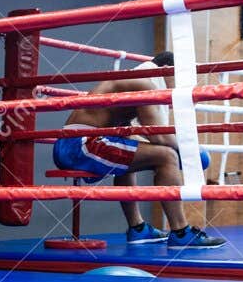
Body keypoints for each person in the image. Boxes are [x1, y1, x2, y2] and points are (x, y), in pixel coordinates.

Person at [55, 51, 224, 249]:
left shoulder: (133, 80)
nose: (182, 85)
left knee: (133, 153)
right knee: (167, 156)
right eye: (181, 77)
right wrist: (189, 152)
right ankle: (180, 232)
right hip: (81, 145)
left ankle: (138, 228)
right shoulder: (144, 84)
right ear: (167, 70)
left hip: (76, 144)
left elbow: (135, 135)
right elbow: (159, 136)